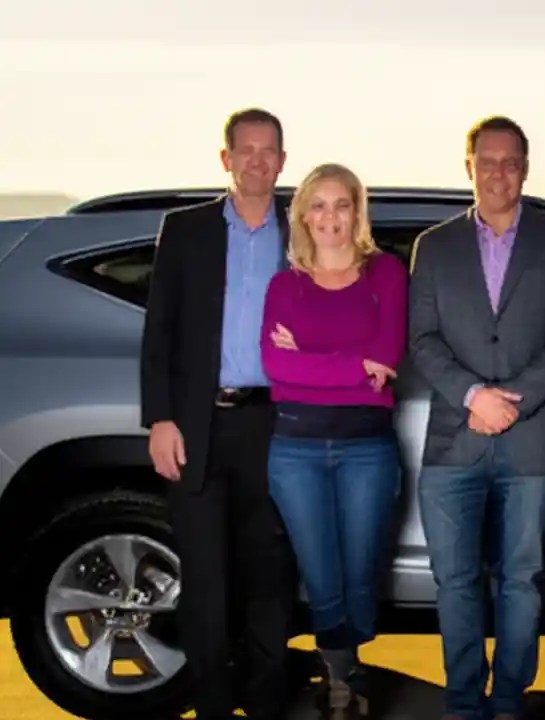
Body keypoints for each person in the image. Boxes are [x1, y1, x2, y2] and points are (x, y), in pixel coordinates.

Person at [408, 115, 545, 720]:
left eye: (510, 162)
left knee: (521, 580)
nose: (498, 173)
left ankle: (509, 700)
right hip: (454, 439)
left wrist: (510, 399)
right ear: (468, 167)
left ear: (525, 168)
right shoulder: (433, 247)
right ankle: (464, 704)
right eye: (486, 162)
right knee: (454, 582)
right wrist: (472, 396)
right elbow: (422, 340)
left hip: (533, 438)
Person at [140, 107, 296, 719]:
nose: (258, 160)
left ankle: (265, 704)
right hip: (198, 427)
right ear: (225, 158)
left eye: (269, 150)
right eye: (246, 150)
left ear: (283, 161)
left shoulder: (303, 230)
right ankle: (211, 706)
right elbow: (160, 333)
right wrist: (161, 419)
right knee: (205, 579)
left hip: (278, 427)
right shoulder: (186, 229)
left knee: (269, 576)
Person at [260, 162, 407, 718]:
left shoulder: (387, 274)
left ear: (356, 212)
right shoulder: (285, 285)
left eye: (341, 205)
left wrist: (311, 363)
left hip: (368, 448)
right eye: (317, 206)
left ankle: (346, 659)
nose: (330, 218)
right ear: (302, 216)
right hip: (295, 450)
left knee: (361, 569)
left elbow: (388, 353)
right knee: (320, 573)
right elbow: (275, 366)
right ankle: (343, 675)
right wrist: (353, 367)